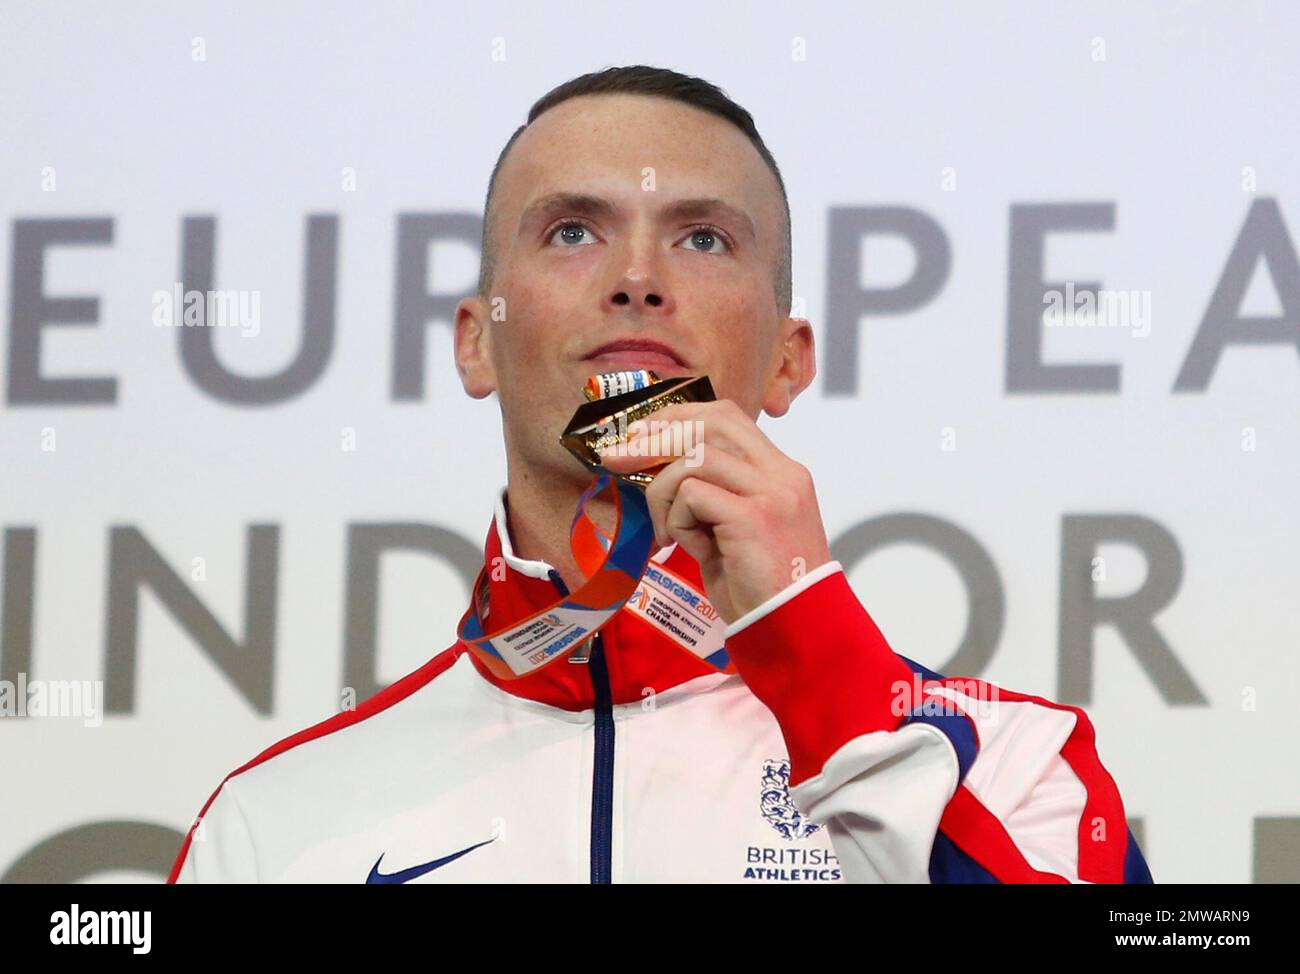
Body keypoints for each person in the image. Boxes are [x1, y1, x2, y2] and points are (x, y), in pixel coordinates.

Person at [169, 64, 1153, 884]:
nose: (636, 277)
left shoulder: (1023, 768)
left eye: (701, 237)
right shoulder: (269, 827)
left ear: (787, 357)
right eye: (571, 230)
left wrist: (823, 662)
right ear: (476, 342)